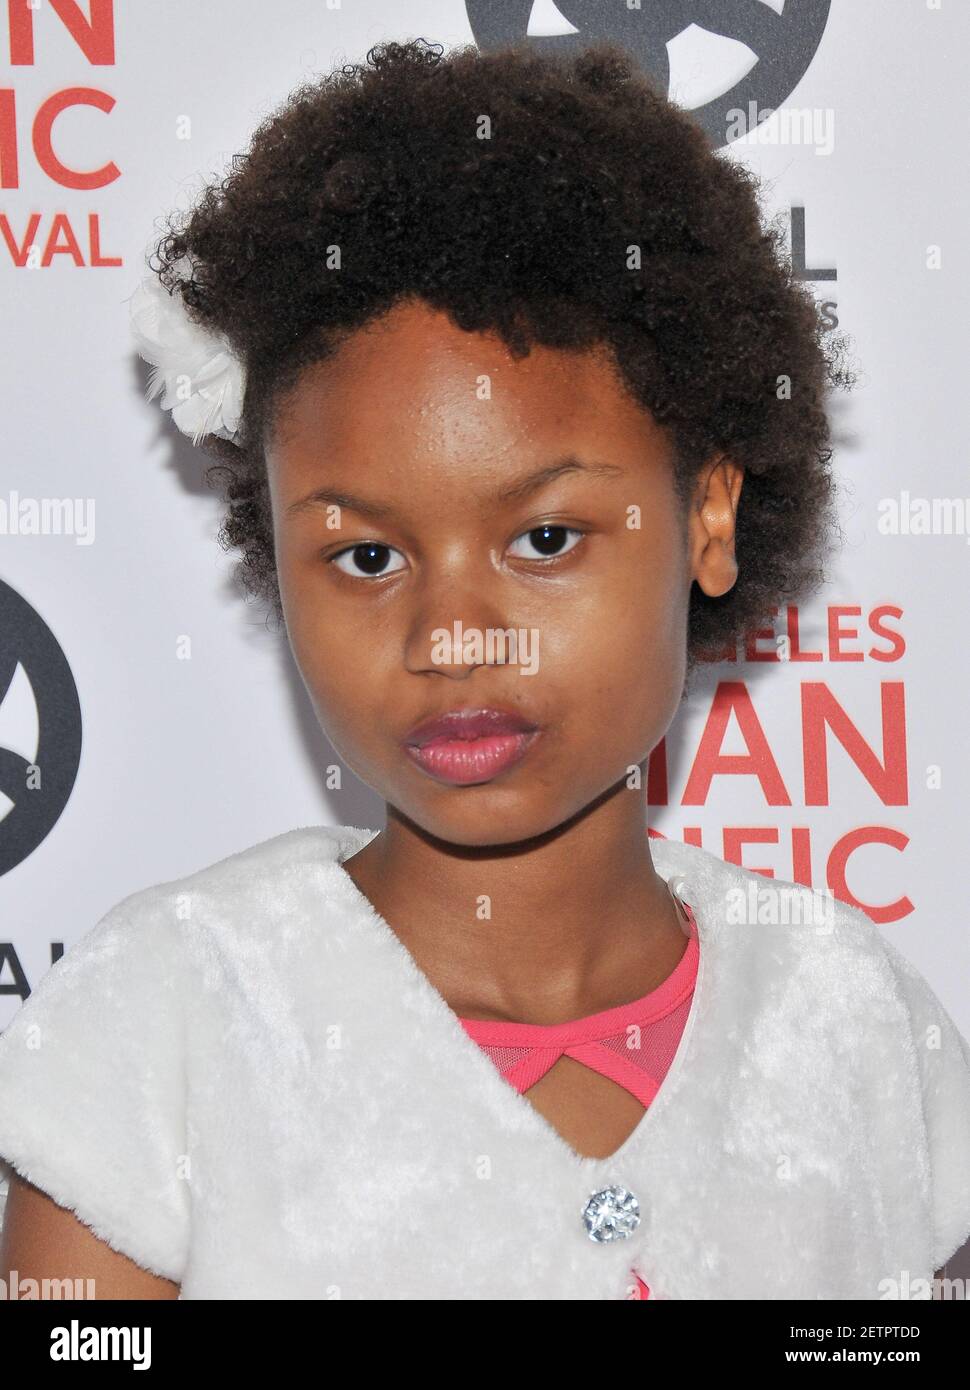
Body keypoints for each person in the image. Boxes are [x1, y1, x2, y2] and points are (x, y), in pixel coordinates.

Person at [1, 37, 967, 1301]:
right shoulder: (166, 1023)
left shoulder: (858, 1027)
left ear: (709, 519)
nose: (451, 636)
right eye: (363, 556)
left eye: (545, 538)